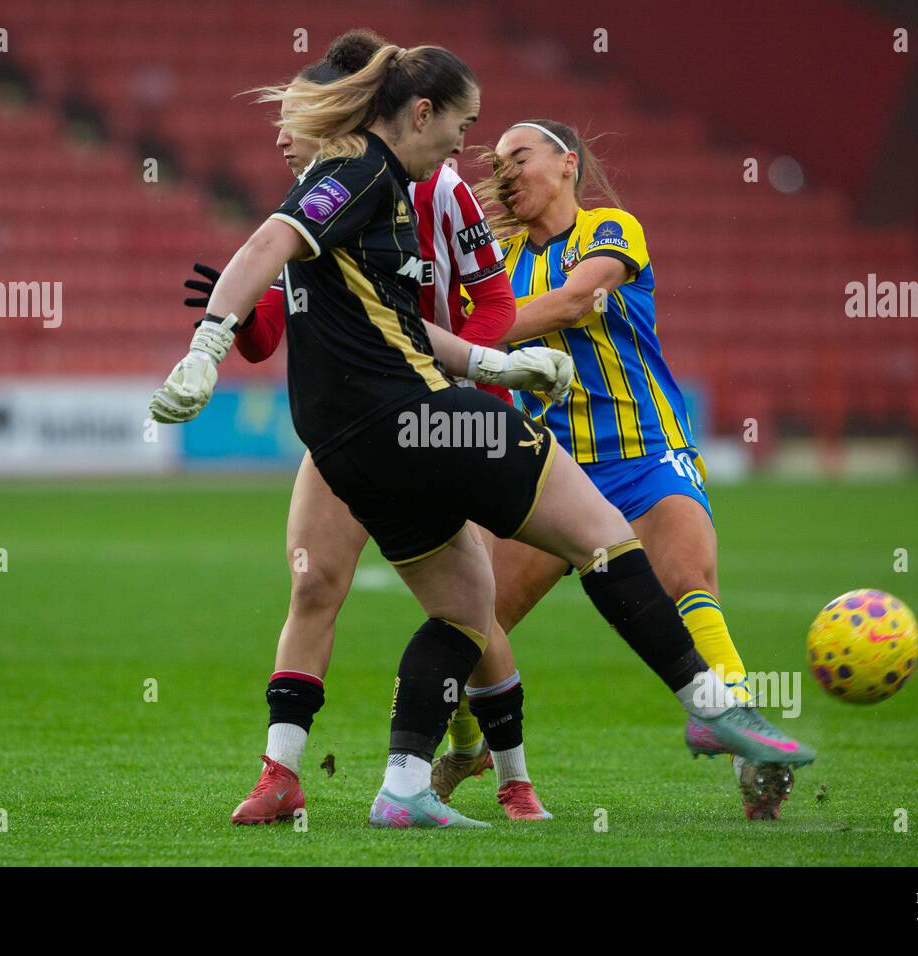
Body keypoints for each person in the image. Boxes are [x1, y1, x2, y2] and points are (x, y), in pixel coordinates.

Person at [151, 42, 814, 829]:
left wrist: (504, 368)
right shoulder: (362, 172)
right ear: (421, 113)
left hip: (349, 451)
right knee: (601, 530)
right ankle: (708, 704)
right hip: (423, 420)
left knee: (468, 614)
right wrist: (207, 347)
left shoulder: (383, 190)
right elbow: (266, 245)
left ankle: (404, 789)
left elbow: (403, 328)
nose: (466, 151)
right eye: (462, 128)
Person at [180, 31, 552, 823]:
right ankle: (281, 774)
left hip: (437, 414)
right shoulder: (317, 201)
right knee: (316, 583)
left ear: (340, 117)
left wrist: (473, 380)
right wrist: (237, 321)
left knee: (470, 605)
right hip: (355, 428)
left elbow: (493, 299)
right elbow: (276, 329)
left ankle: (513, 776)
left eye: (295, 117)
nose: (281, 134)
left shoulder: (433, 187)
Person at [453, 118, 797, 819]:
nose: (506, 171)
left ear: (567, 163)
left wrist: (471, 337)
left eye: (520, 156)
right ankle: (467, 745)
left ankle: (746, 751)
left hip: (646, 452)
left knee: (689, 581)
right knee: (473, 619)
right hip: (554, 468)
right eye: (498, 163)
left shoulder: (612, 229)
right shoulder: (500, 259)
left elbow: (578, 299)